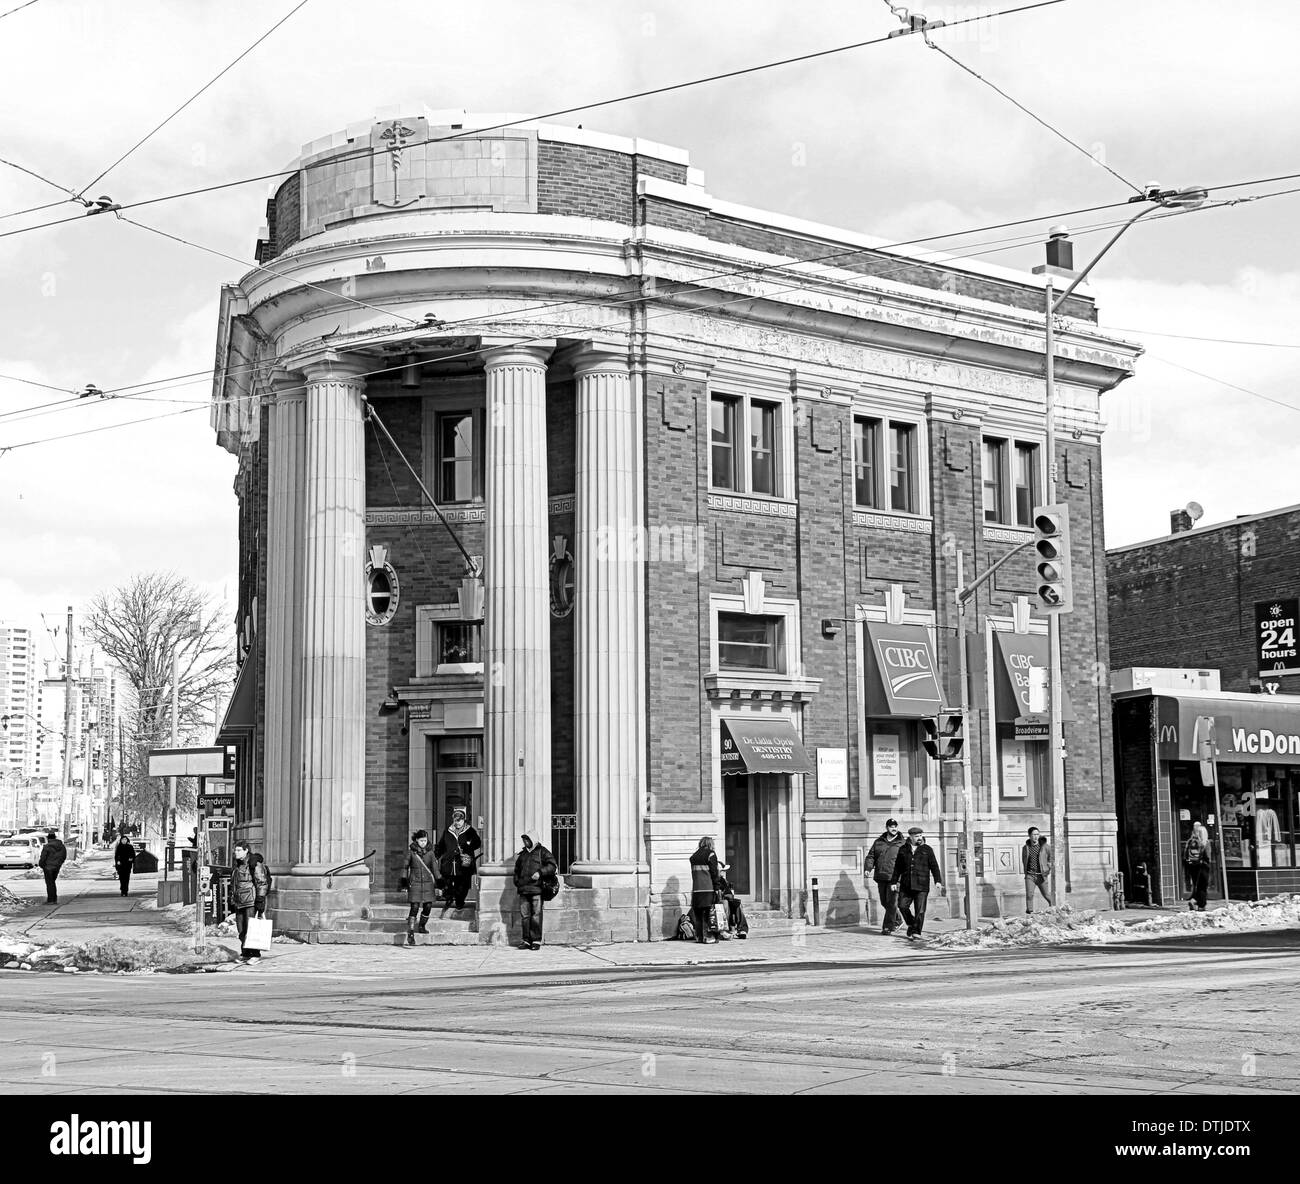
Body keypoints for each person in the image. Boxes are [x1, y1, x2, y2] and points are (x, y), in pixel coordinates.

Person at [890, 826, 945, 941]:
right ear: (910, 837)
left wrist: (938, 880)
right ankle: (912, 924)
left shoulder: (927, 849)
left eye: (920, 836)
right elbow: (897, 867)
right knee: (902, 906)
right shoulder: (903, 849)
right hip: (906, 885)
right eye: (916, 836)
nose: (919, 838)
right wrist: (894, 881)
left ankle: (916, 932)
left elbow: (934, 866)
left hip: (922, 885)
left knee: (920, 910)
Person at [513, 833, 557, 949]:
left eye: (527, 840)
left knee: (536, 915)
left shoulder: (543, 851)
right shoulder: (522, 854)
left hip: (537, 889)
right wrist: (517, 881)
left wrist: (540, 873)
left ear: (533, 840)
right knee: (525, 916)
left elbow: (552, 866)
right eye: (524, 840)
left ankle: (536, 941)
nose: (525, 842)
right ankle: (526, 940)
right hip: (523, 890)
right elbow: (516, 870)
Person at [435, 807, 482, 910]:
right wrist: (436, 855)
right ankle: (449, 897)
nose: (457, 823)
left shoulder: (470, 831)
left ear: (464, 820)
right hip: (449, 862)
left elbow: (477, 843)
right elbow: (441, 845)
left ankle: (459, 901)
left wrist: (468, 846)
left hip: (464, 863)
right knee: (447, 882)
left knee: (462, 885)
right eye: (455, 820)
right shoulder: (448, 831)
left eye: (459, 820)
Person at [229, 842, 270, 962]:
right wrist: (232, 899)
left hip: (250, 901)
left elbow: (261, 882)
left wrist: (260, 899)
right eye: (235, 850)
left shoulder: (254, 864)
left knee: (252, 929)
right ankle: (245, 952)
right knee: (241, 929)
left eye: (239, 850)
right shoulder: (237, 865)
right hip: (239, 901)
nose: (236, 852)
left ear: (246, 850)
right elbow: (234, 884)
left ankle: (255, 954)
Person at [864, 818, 906, 934]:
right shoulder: (879, 842)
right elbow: (871, 856)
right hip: (881, 876)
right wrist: (868, 868)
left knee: (892, 902)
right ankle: (897, 920)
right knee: (885, 902)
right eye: (891, 826)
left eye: (895, 826)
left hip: (895, 878)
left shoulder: (902, 843)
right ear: (887, 828)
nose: (894, 828)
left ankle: (888, 927)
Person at [405, 830, 439, 945]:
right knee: (414, 906)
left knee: (428, 905)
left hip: (428, 883)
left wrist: (440, 880)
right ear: (416, 840)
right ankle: (410, 933)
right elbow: (404, 866)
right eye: (421, 840)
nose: (423, 843)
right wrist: (404, 880)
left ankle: (422, 925)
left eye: (425, 840)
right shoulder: (411, 853)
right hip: (415, 882)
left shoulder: (430, 853)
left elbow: (434, 868)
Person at [688, 835, 721, 946]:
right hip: (708, 888)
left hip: (696, 889)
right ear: (710, 844)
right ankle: (709, 937)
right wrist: (717, 887)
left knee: (698, 915)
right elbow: (714, 873)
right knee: (708, 914)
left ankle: (699, 937)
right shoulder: (711, 854)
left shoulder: (693, 857)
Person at [1022, 826, 1054, 914]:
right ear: (1029, 835)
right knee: (1029, 894)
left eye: (1037, 834)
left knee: (1046, 895)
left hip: (1041, 875)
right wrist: (1026, 872)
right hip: (1030, 875)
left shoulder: (1045, 847)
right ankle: (1030, 913)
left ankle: (1054, 908)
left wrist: (1048, 867)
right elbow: (1024, 860)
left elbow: (1051, 857)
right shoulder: (1025, 848)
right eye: (1033, 834)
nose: (1036, 836)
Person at [1184, 821, 1211, 912]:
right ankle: (1201, 905)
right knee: (1203, 886)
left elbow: (1185, 855)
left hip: (1193, 866)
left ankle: (1194, 900)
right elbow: (1208, 856)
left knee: (1197, 885)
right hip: (1203, 866)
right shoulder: (1205, 843)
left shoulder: (1191, 841)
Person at [37, 830, 67, 905]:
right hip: (56, 867)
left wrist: (41, 865)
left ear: (48, 838)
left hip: (48, 867)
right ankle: (54, 899)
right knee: (52, 882)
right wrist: (59, 863)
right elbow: (64, 856)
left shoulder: (47, 847)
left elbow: (43, 857)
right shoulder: (61, 846)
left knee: (50, 884)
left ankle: (51, 900)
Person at [113, 832, 136, 897]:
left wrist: (131, 859)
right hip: (121, 865)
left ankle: (125, 891)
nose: (124, 841)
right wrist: (117, 861)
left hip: (128, 865)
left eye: (125, 840)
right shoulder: (119, 847)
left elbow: (133, 855)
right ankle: (122, 890)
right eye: (123, 840)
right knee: (122, 878)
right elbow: (116, 855)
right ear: (121, 840)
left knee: (127, 878)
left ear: (127, 840)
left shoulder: (130, 847)